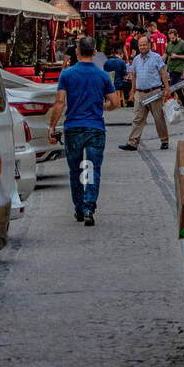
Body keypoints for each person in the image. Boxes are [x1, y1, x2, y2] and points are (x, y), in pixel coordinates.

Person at [47, 35, 118, 226]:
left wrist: (52, 126)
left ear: (77, 52)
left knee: (75, 169)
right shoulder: (102, 75)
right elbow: (115, 102)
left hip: (74, 128)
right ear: (95, 53)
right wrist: (100, 107)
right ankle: (89, 207)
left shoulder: (67, 75)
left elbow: (60, 102)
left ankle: (79, 208)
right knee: (92, 169)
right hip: (95, 128)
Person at [119, 32, 172, 152]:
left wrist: (167, 88)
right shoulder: (136, 59)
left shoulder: (156, 57)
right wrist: (132, 92)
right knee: (137, 119)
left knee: (159, 118)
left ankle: (164, 141)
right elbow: (134, 76)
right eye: (140, 45)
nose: (142, 47)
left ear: (149, 45)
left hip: (154, 92)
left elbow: (163, 73)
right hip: (140, 93)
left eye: (144, 45)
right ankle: (132, 143)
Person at [164, 26, 184, 113]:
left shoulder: (182, 43)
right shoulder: (169, 44)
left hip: (178, 69)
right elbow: (164, 55)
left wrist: (177, 56)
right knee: (177, 89)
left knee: (171, 88)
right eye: (170, 38)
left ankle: (168, 107)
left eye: (173, 38)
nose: (172, 40)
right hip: (170, 68)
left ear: (177, 36)